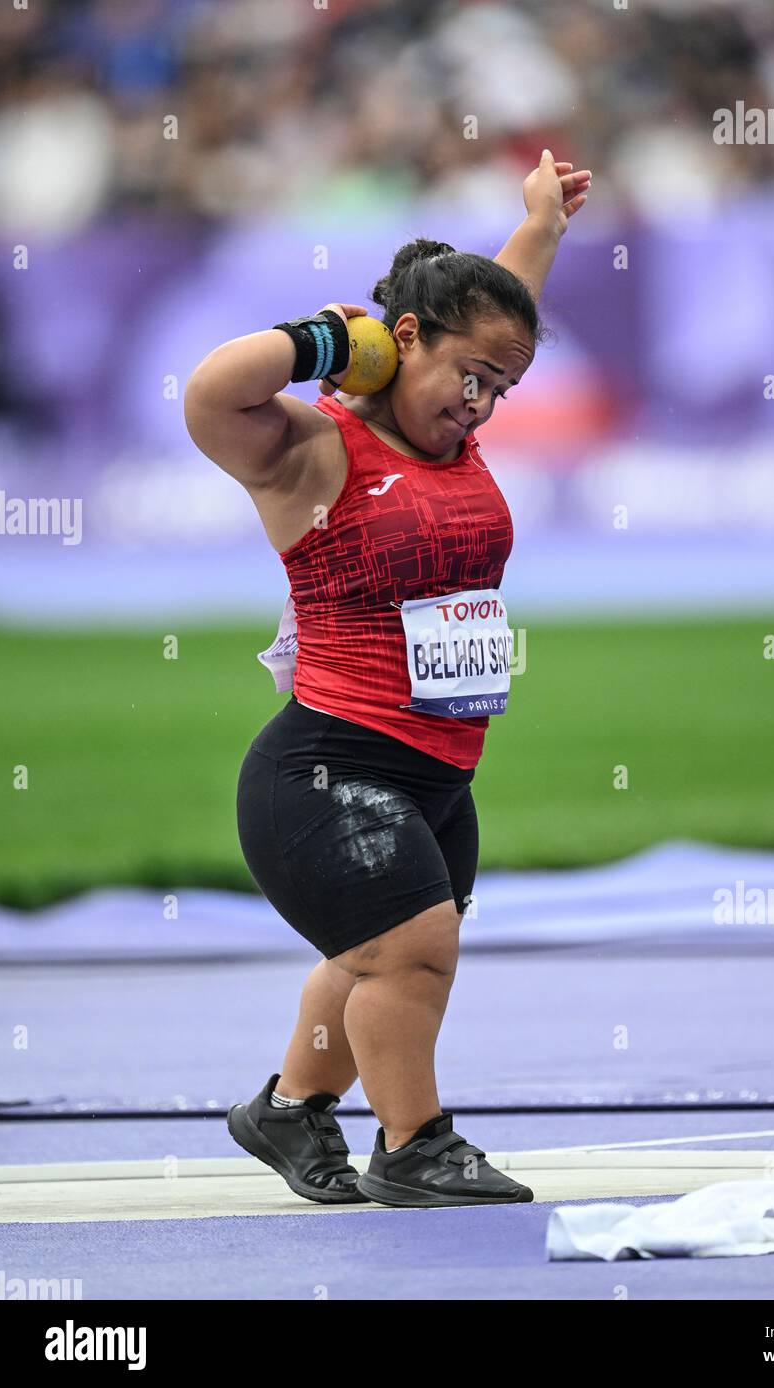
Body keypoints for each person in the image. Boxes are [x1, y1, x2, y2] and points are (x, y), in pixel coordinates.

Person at [183, 150, 591, 1208]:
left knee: (372, 956)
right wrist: (334, 341)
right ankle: (414, 1143)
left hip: (436, 772)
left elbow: (487, 318)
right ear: (399, 341)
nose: (483, 405)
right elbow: (208, 390)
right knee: (409, 951)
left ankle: (287, 1107)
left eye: (502, 388)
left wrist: (538, 225)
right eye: (471, 380)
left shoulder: (453, 392)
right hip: (325, 771)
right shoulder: (310, 448)